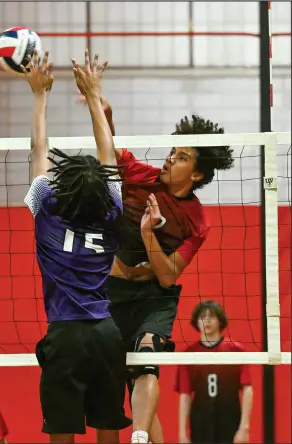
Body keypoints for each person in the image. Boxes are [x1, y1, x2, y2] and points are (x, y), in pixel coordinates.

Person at [79, 94, 235, 443]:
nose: (169, 159)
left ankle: (138, 439)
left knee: (146, 357)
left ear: (196, 174)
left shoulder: (197, 221)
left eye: (180, 158)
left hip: (154, 298)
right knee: (114, 386)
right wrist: (103, 112)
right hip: (112, 293)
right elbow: (108, 151)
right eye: (172, 152)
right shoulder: (141, 175)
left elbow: (167, 276)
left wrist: (149, 233)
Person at [23, 49, 131, 444]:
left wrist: (39, 96)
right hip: (105, 332)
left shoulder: (47, 209)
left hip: (65, 334)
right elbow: (110, 157)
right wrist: (95, 94)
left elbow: (40, 152)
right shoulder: (110, 209)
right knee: (108, 427)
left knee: (63, 431)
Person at [176, 301, 253, 444]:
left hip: (230, 416)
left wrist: (244, 427)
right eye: (202, 316)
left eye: (211, 316)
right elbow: (185, 395)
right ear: (196, 322)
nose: (207, 320)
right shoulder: (189, 354)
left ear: (220, 320)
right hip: (201, 419)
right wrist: (181, 433)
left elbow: (248, 389)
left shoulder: (235, 350)